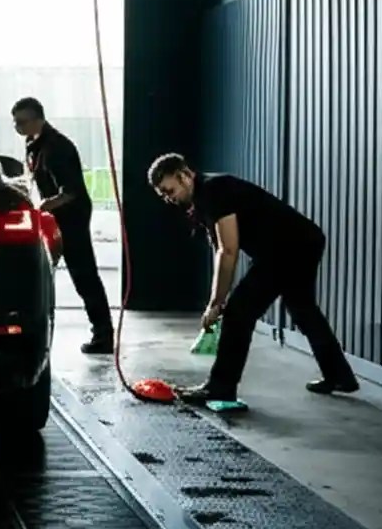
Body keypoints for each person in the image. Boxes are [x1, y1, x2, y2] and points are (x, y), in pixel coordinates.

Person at [146, 153, 360, 402]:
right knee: (303, 309)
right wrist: (217, 299)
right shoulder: (204, 199)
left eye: (169, 190)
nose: (169, 198)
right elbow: (220, 249)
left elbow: (228, 251)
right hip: (300, 242)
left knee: (239, 312)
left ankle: (220, 388)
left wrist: (216, 303)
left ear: (184, 176)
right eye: (163, 195)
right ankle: (340, 376)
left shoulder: (215, 189)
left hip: (290, 247)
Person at [11, 97, 114, 354]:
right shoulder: (33, 144)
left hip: (72, 217)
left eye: (22, 122)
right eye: (15, 123)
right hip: (54, 217)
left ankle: (103, 334)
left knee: (84, 275)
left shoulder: (58, 148)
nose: (18, 127)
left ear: (38, 119)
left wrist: (43, 206)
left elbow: (71, 192)